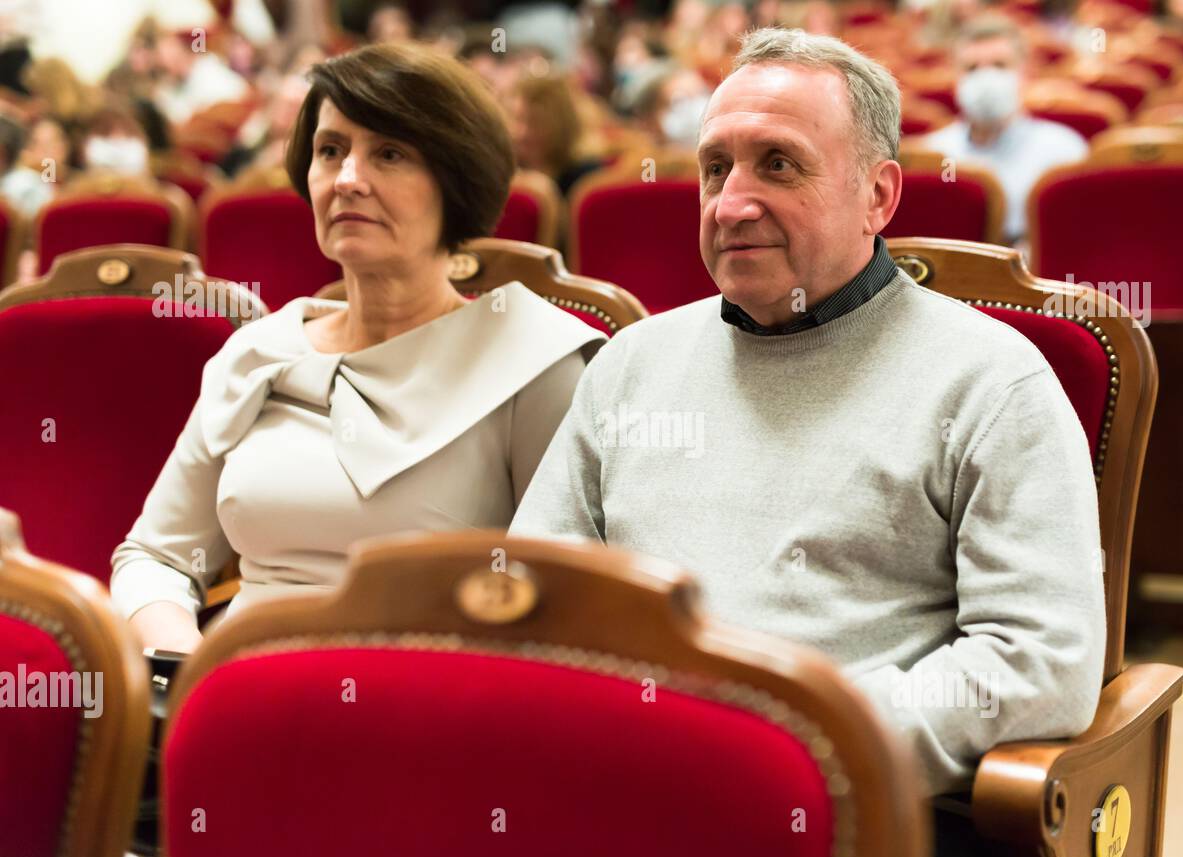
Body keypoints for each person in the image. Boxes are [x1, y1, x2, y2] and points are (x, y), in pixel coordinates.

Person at [511, 28, 1105, 815]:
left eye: (778, 165)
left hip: (846, 807)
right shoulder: (632, 364)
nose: (732, 203)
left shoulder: (990, 380)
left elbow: (1038, 664)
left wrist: (787, 745)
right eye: (715, 167)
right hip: (621, 784)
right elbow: (530, 592)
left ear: (879, 196)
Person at [111, 43, 605, 653]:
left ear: (456, 180)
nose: (348, 179)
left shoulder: (532, 357)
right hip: (237, 693)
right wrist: (181, 659)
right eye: (330, 150)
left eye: (389, 154)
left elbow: (567, 596)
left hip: (432, 704)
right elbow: (157, 556)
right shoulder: (258, 354)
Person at [924, 15, 1087, 244]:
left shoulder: (1064, 152)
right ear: (955, 78)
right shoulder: (932, 154)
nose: (985, 78)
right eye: (971, 68)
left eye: (1000, 65)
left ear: (1025, 74)